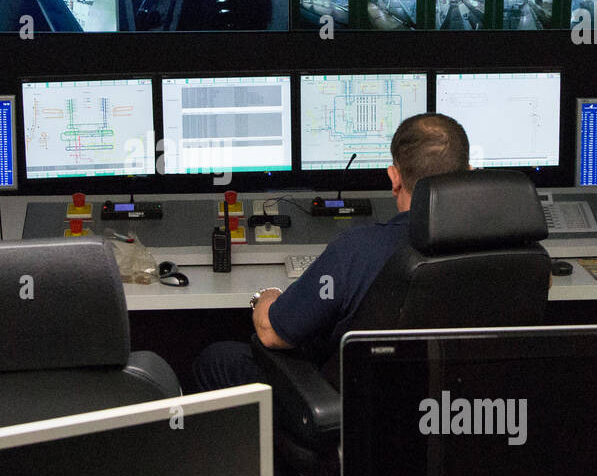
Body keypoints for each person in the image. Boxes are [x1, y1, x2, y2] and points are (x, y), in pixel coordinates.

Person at [191, 112, 471, 396]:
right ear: (470, 173)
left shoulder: (359, 249)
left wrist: (266, 297)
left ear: (394, 178)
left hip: (357, 410)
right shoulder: (508, 248)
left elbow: (271, 334)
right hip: (466, 410)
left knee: (218, 360)